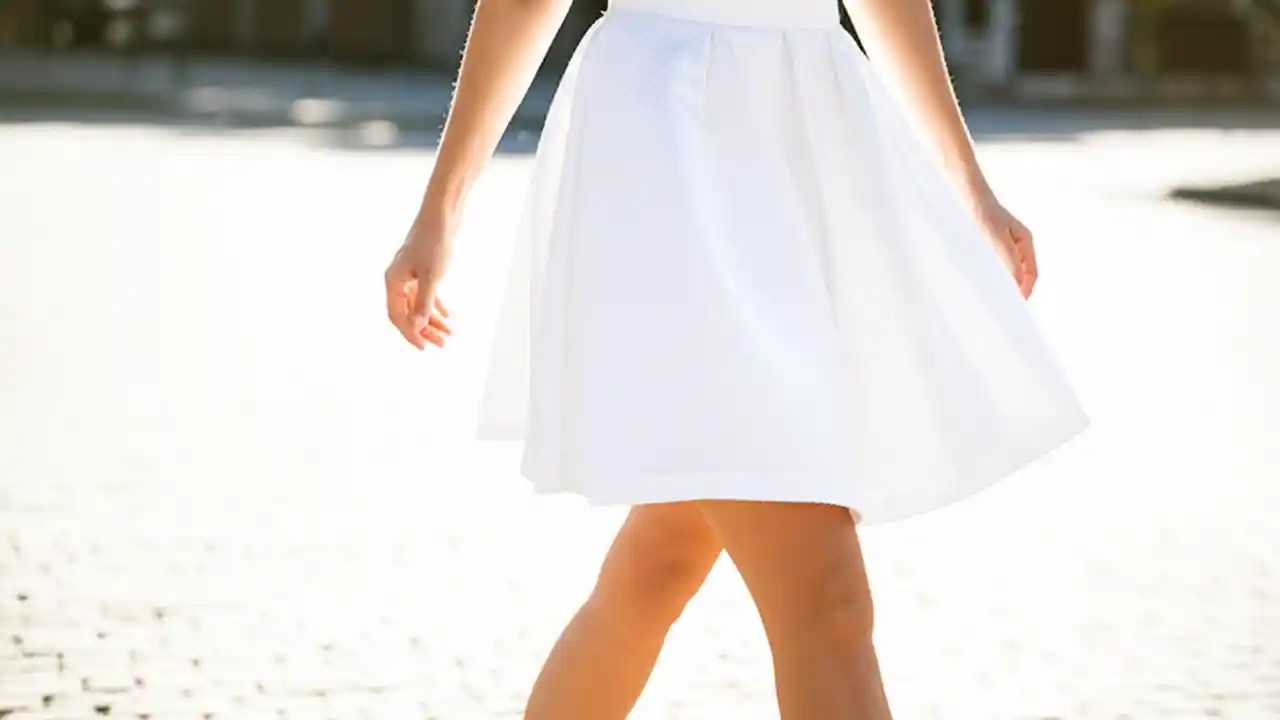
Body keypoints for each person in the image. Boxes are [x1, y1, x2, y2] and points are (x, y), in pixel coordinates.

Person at [383, 0, 1089, 716]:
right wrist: (440, 211)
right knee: (826, 600)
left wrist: (970, 187)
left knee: (659, 564)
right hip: (670, 138)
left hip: (807, 140)